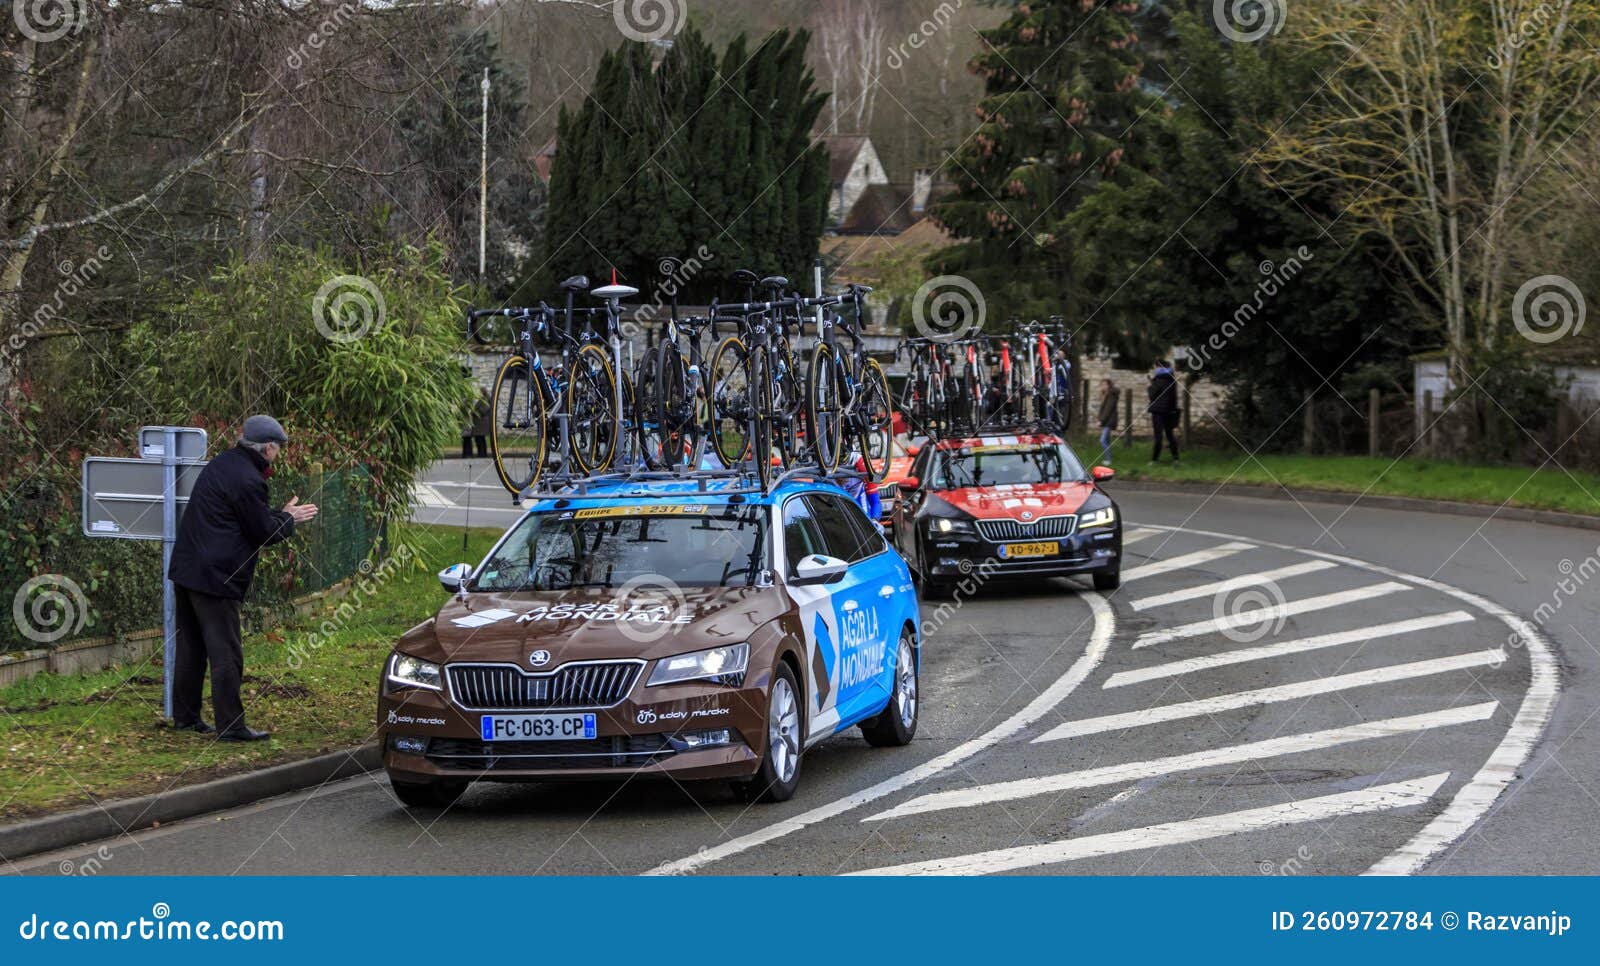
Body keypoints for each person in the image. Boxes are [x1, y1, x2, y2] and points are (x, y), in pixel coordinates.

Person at [167, 415, 318, 740]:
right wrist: (289, 519)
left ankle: (186, 717)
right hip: (216, 578)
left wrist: (281, 515)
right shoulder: (250, 479)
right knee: (227, 653)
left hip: (188, 569)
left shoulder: (223, 463)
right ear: (268, 448)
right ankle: (231, 726)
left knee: (191, 647)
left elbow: (248, 518)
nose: (278, 455)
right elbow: (263, 532)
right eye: (278, 449)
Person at [1147, 361, 1181, 464]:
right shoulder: (1172, 380)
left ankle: (1155, 459)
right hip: (1169, 411)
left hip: (1158, 412)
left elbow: (1152, 395)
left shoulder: (1157, 380)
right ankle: (1176, 458)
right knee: (1170, 435)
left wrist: (1150, 384)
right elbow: (1174, 398)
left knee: (1158, 436)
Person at [462, 369, 490, 459]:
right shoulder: (482, 400)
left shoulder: (485, 400)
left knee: (480, 440)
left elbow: (483, 411)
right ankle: (481, 453)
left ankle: (482, 453)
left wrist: (473, 412)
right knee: (479, 439)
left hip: (481, 423)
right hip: (479, 424)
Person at [1097, 378, 1118, 467]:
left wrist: (1101, 420)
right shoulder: (1106, 394)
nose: (1103, 386)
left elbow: (1108, 409)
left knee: (1102, 440)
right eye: (1102, 384)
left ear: (1109, 386)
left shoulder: (1111, 395)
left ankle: (1108, 460)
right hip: (1107, 420)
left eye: (1105, 385)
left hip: (1109, 420)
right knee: (1107, 441)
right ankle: (1108, 458)